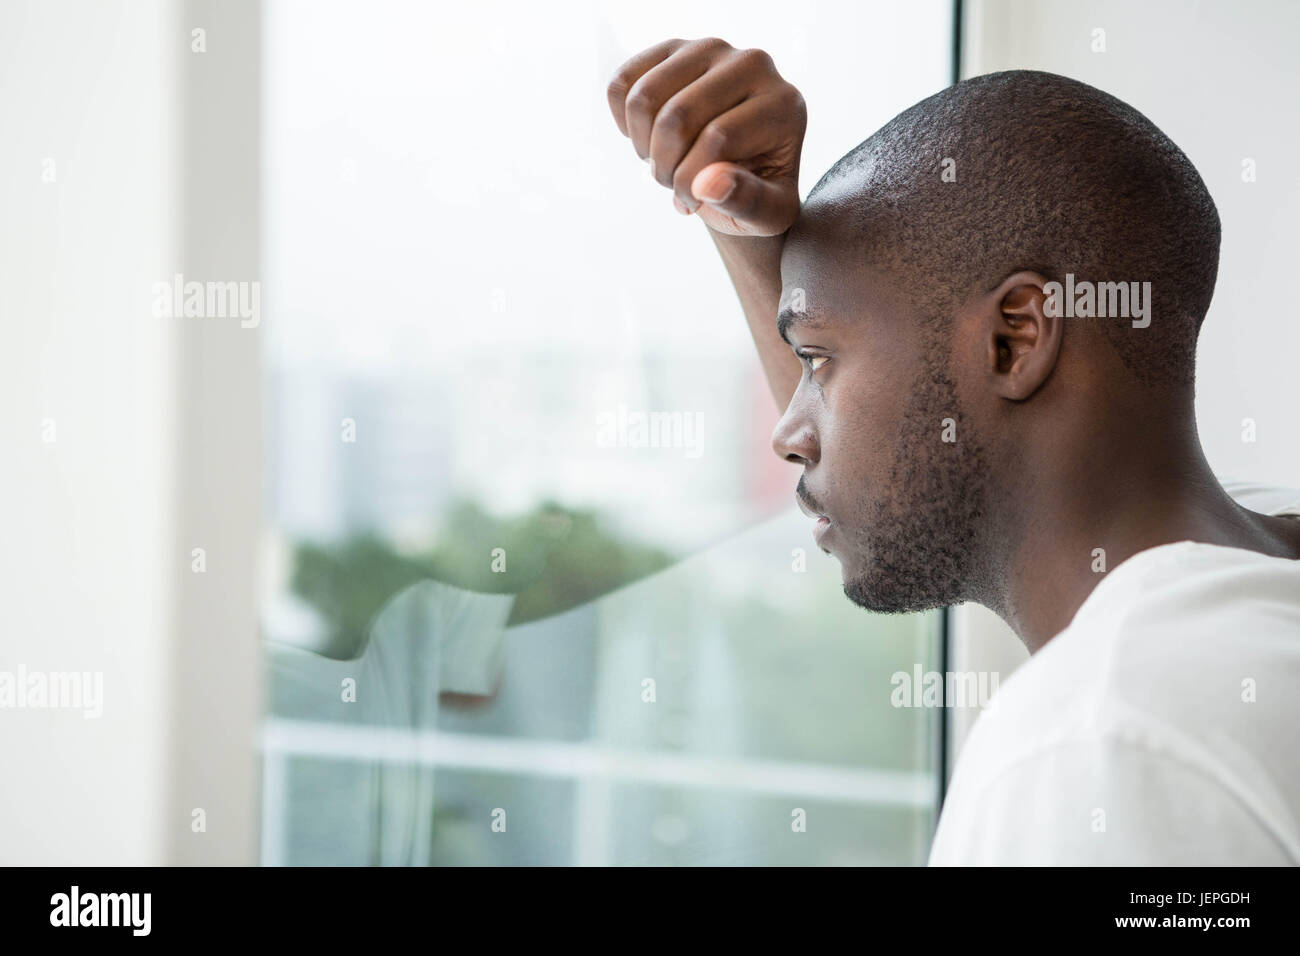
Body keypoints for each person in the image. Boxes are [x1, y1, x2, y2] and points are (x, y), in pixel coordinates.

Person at [607, 37, 1300, 865]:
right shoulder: (1253, 575)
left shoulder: (1103, 745)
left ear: (1015, 341)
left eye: (819, 362)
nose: (786, 436)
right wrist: (754, 246)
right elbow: (899, 469)